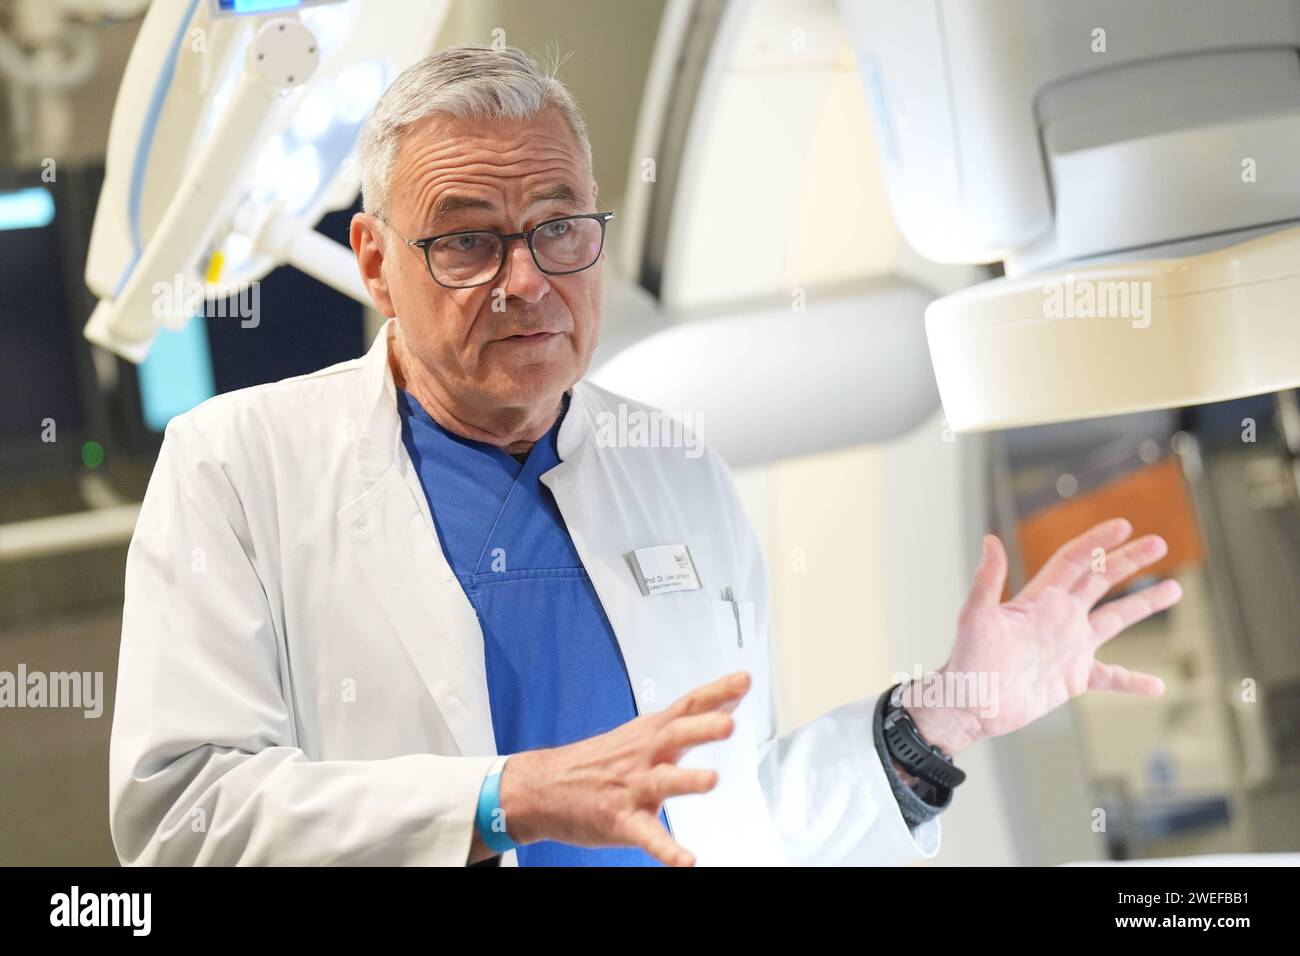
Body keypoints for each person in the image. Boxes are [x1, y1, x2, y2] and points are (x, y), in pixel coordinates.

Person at [108, 44, 1182, 866]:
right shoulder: (235, 468)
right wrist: (499, 797)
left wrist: (943, 715)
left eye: (560, 226)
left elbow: (736, 817)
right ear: (377, 263)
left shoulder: (669, 462)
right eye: (470, 238)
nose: (527, 278)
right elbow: (184, 811)